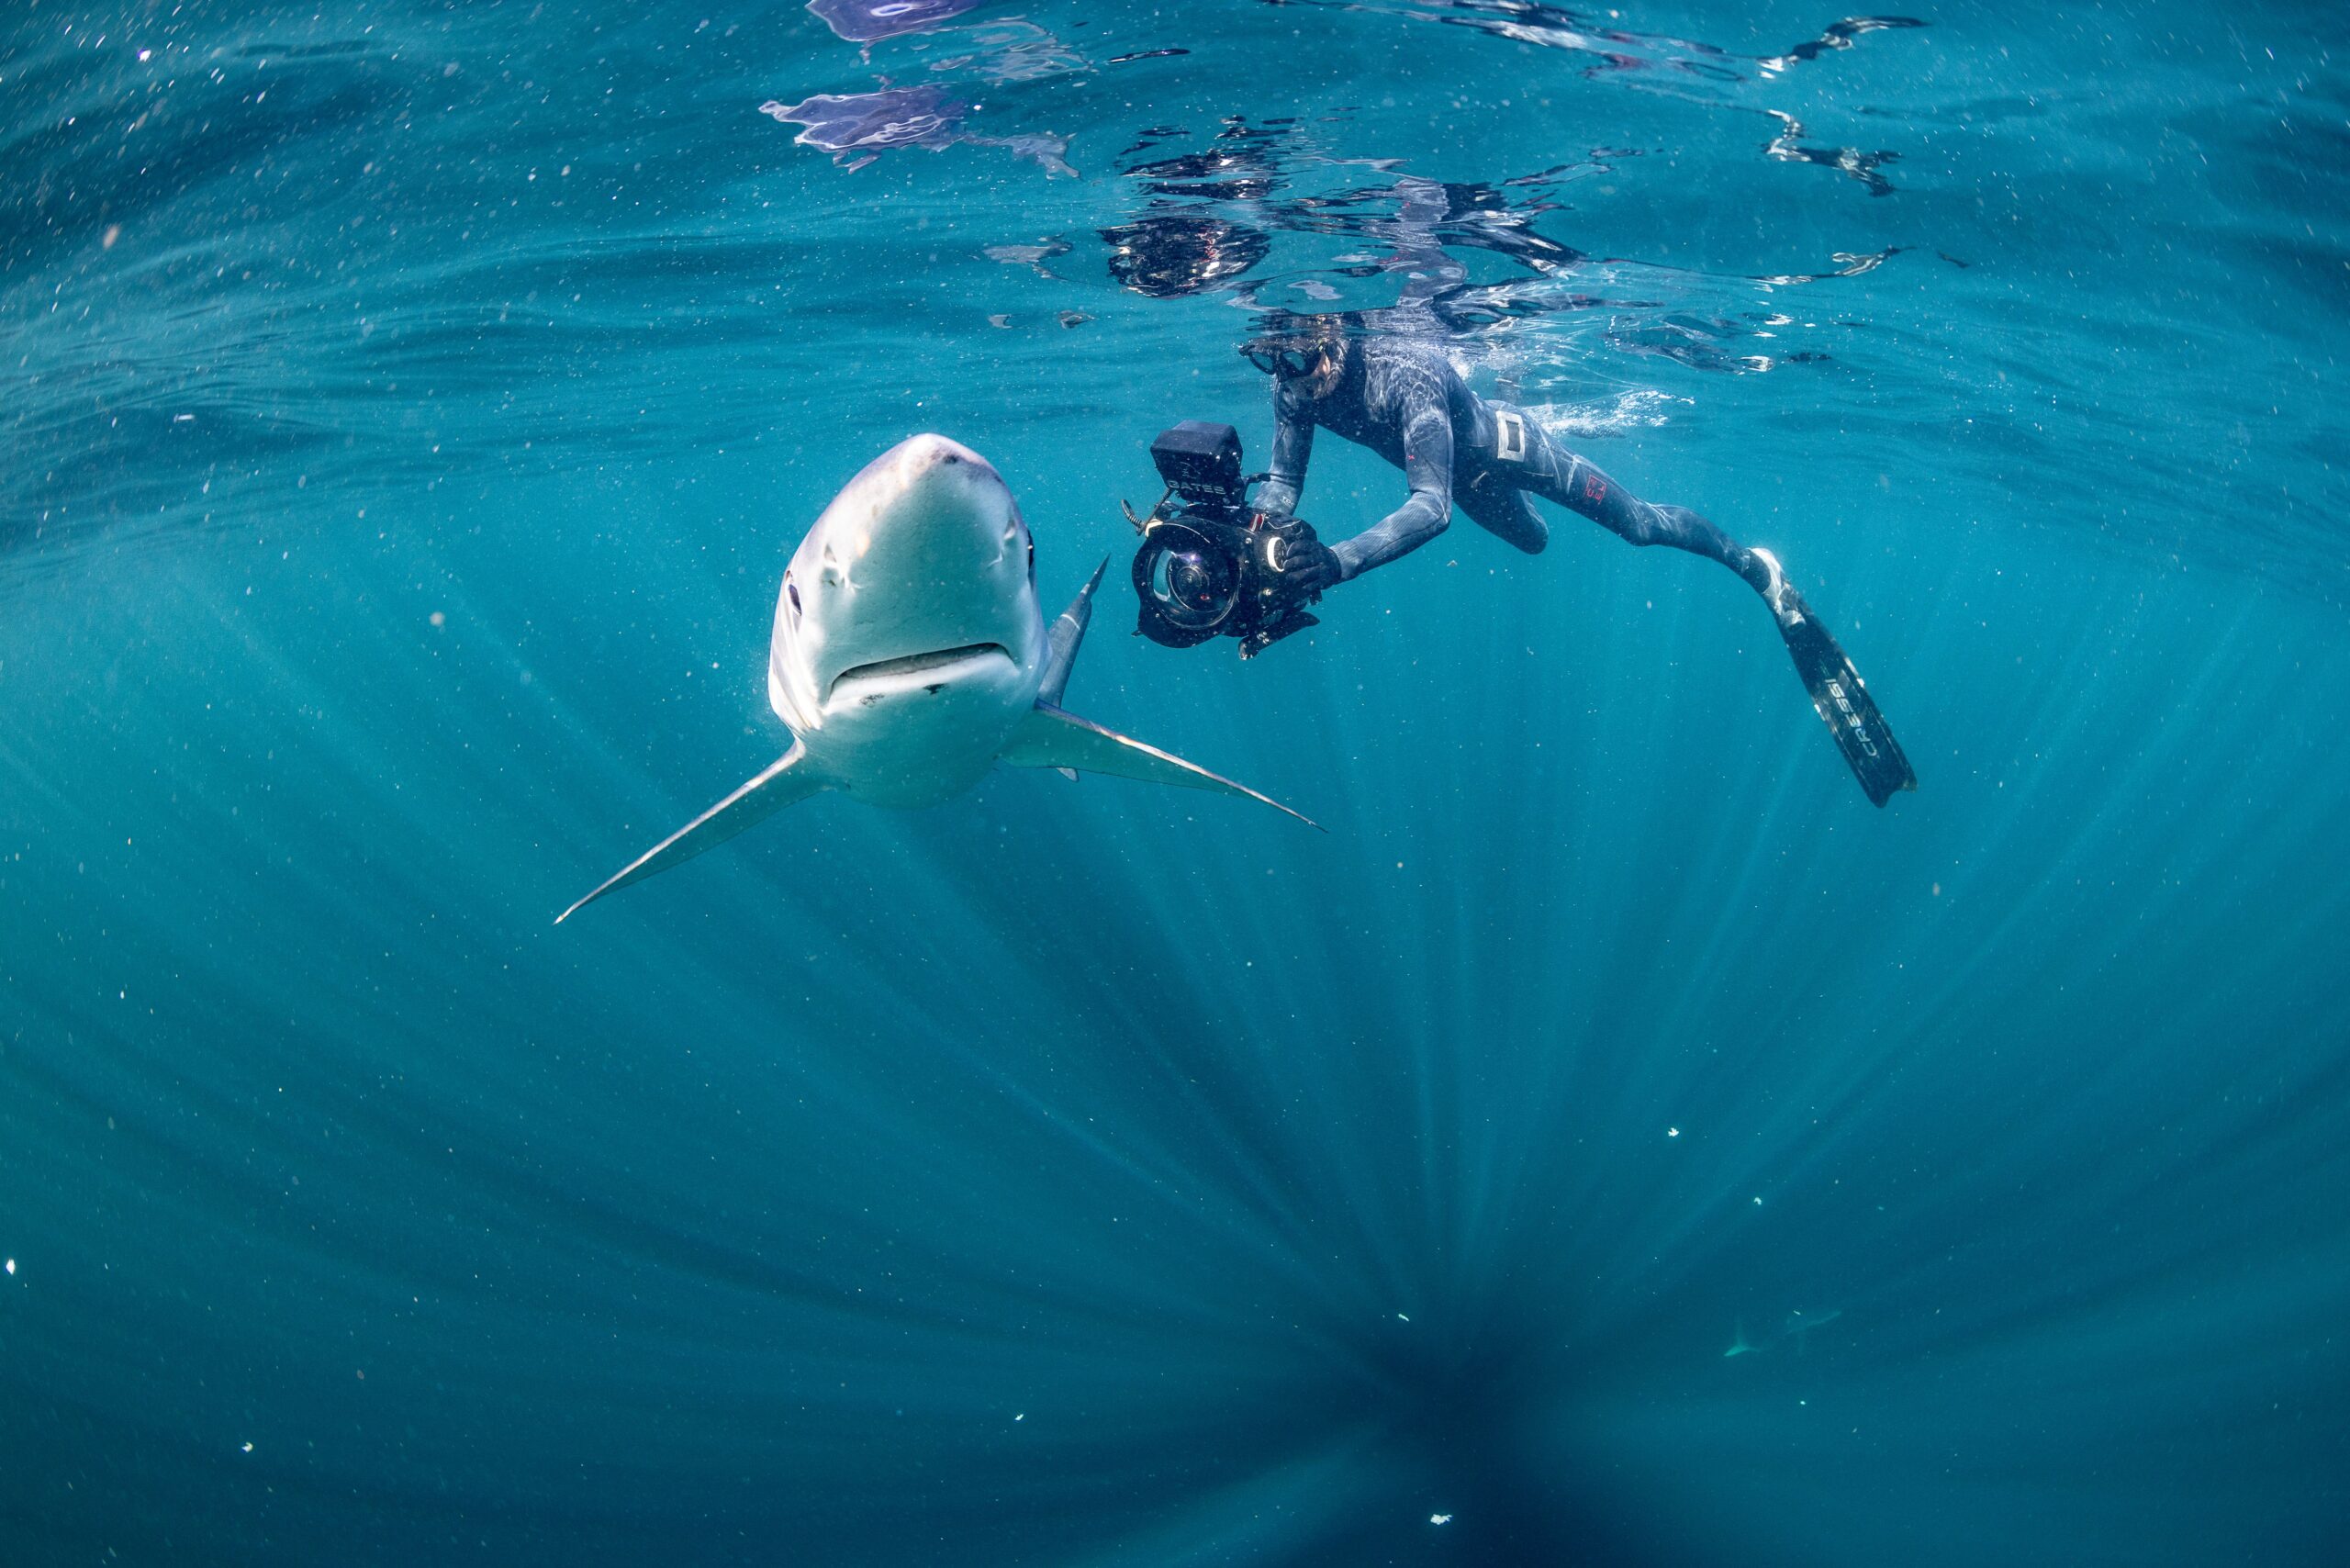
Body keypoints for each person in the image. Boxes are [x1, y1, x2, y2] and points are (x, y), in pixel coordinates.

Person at [1232, 180, 1913, 804]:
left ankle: (1751, 564)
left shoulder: (1404, 367)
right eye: (1272, 360)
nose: (1289, 376)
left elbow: (1430, 505)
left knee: (1639, 527)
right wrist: (1251, 543)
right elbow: (1285, 484)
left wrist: (1338, 561)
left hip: (1509, 450)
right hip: (1465, 479)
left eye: (1296, 356)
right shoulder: (1290, 380)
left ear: (1331, 327)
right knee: (1532, 541)